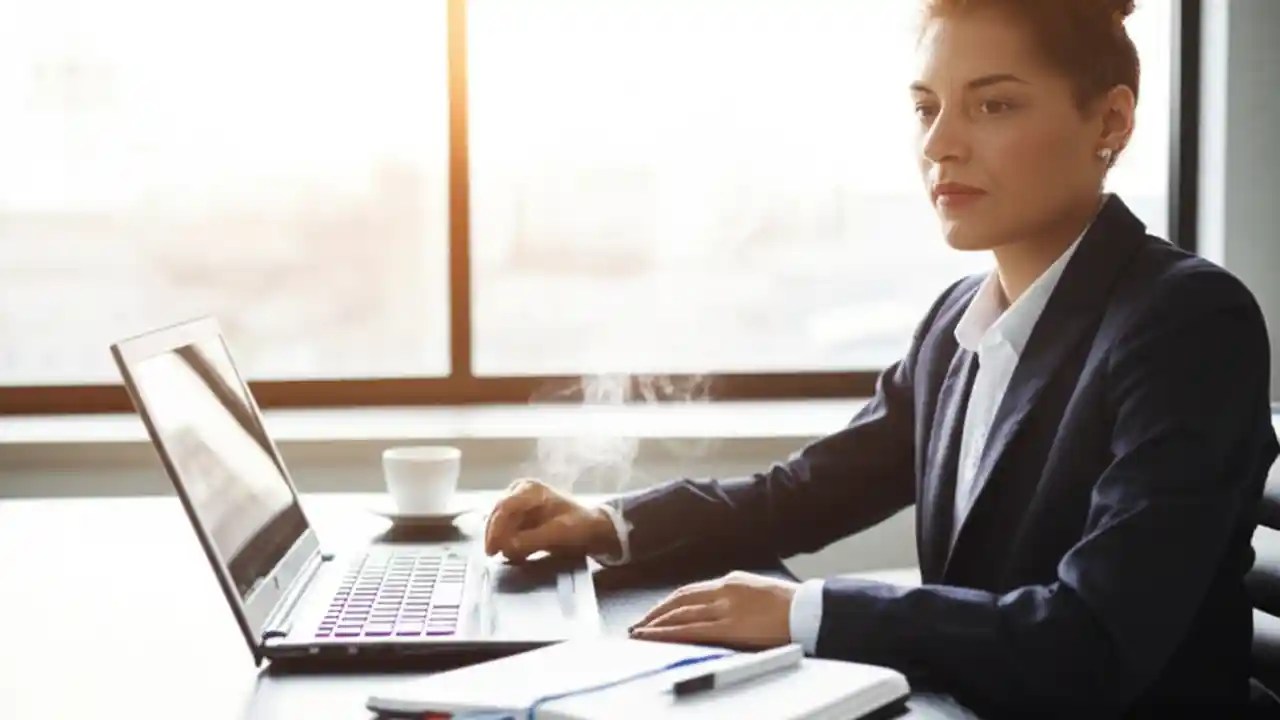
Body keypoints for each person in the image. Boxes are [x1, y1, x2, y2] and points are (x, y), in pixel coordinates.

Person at [484, 0, 1279, 715]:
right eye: (927, 107)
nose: (940, 144)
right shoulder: (954, 324)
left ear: (1111, 121)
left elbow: (1091, 641)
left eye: (994, 104)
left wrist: (805, 612)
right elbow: (803, 495)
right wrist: (609, 524)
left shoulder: (1186, 323)